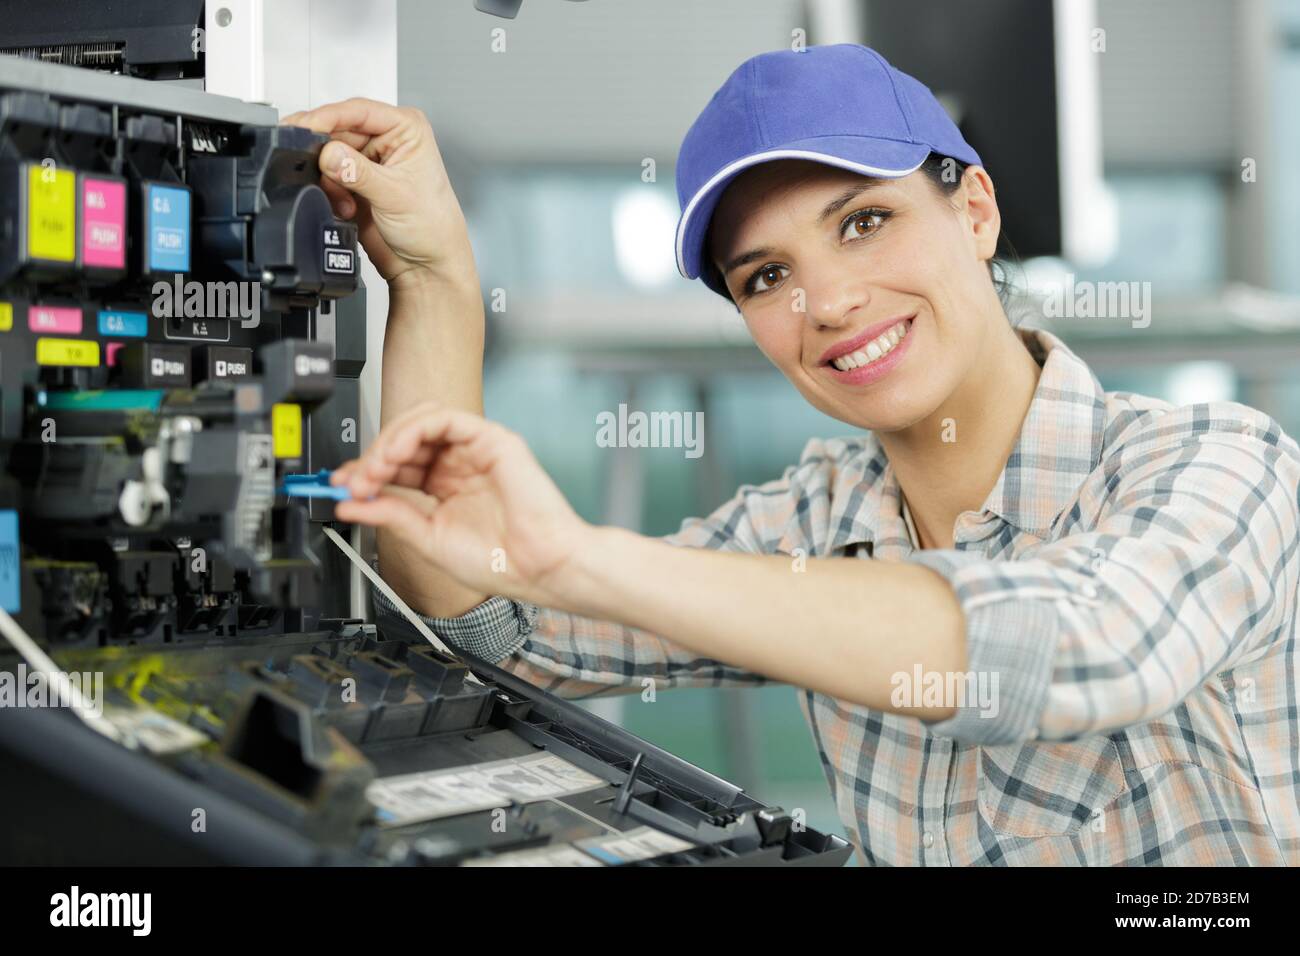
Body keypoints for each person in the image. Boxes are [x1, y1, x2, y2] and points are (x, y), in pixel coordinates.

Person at [283, 44, 1300, 866]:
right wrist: (431, 274)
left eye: (864, 222)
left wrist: (584, 555)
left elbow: (1079, 646)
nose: (830, 303)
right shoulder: (810, 521)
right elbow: (487, 628)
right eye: (768, 276)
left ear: (976, 210)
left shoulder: (1216, 460)